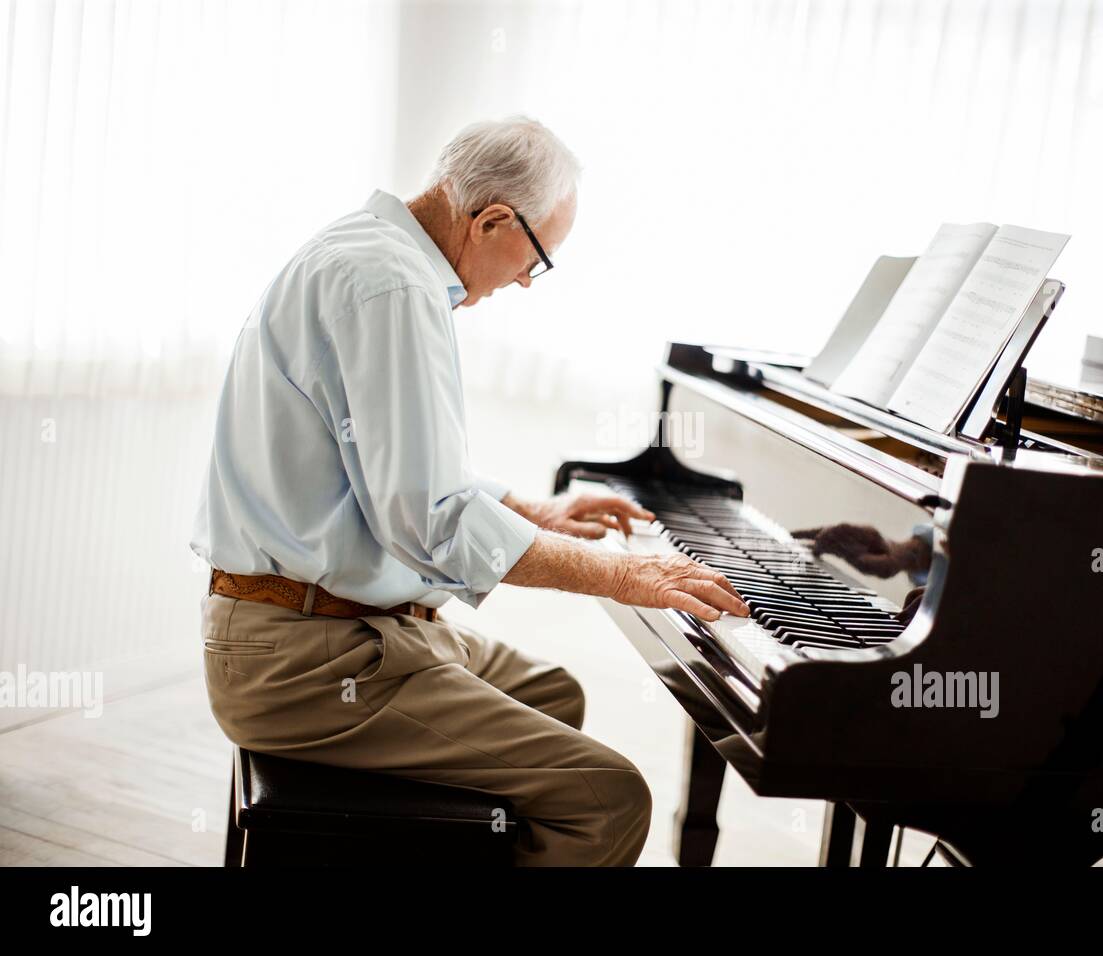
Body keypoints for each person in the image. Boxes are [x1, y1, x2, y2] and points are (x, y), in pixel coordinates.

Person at [191, 116, 747, 866]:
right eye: (537, 260)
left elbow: (396, 478)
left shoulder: (374, 254)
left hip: (343, 626)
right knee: (607, 797)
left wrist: (529, 512)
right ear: (490, 219)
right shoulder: (390, 285)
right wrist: (628, 576)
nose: (524, 281)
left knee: (553, 694)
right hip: (305, 660)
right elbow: (431, 520)